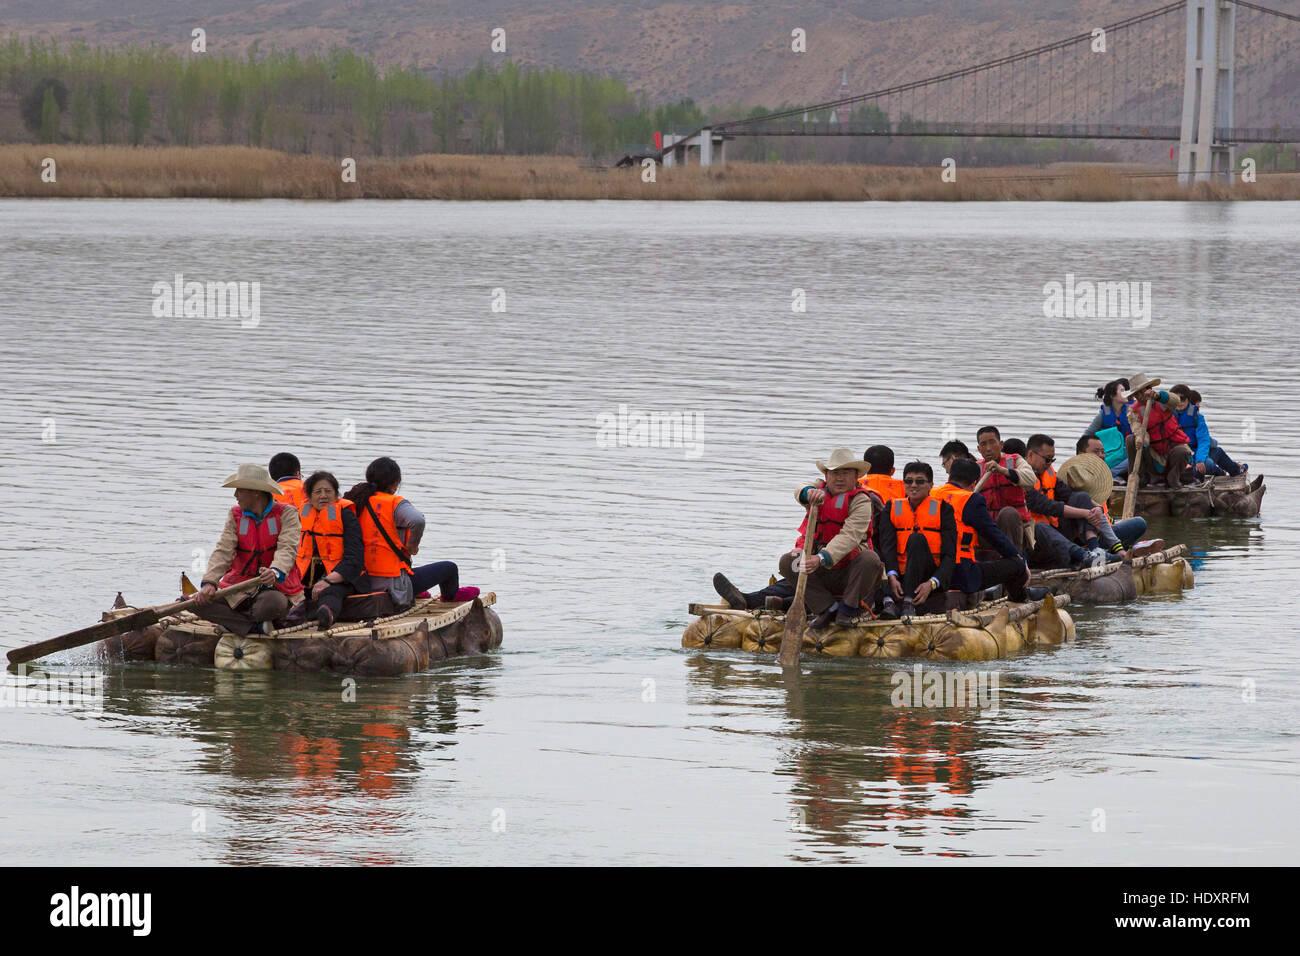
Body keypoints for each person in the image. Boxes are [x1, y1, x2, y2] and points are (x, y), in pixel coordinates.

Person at [779, 448, 885, 630]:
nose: (840, 478)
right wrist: (808, 493)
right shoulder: (819, 489)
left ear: (856, 477)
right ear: (827, 476)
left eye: (846, 473)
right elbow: (799, 490)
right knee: (788, 561)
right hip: (822, 572)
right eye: (835, 473)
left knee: (871, 559)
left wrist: (820, 558)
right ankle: (826, 608)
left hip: (849, 570)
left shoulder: (862, 500)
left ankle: (848, 609)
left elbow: (849, 535)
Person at [346, 456, 469, 609]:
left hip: (358, 582)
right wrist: (412, 546)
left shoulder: (355, 501)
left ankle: (415, 588)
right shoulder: (393, 503)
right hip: (392, 587)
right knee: (450, 568)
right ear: (395, 484)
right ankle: (450, 596)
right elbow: (417, 521)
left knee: (408, 569)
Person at [194, 463, 303, 634]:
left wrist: (275, 571)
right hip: (239, 588)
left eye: (240, 490)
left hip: (274, 588)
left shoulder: (287, 513)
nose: (235, 495)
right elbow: (223, 550)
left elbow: (287, 548)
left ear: (256, 492)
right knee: (193, 602)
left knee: (273, 604)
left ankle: (233, 622)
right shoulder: (235, 515)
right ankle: (254, 627)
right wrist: (210, 582)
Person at [938, 458, 1039, 607]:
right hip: (959, 573)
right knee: (1016, 565)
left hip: (934, 570)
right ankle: (1018, 601)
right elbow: (995, 536)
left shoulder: (931, 494)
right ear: (974, 483)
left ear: (949, 477)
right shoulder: (971, 499)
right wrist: (1021, 561)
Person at [1023, 433, 1126, 561]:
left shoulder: (1049, 474)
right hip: (1037, 540)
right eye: (1047, 459)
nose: (1049, 464)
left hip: (1060, 530)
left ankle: (1095, 550)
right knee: (1040, 528)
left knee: (1081, 497)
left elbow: (1069, 493)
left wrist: (1097, 507)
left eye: (1052, 460)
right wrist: (1085, 513)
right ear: (1031, 455)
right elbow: (1049, 506)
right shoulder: (1022, 479)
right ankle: (1085, 556)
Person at [877, 461, 955, 617]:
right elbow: (887, 546)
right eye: (908, 481)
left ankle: (908, 601)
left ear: (931, 485)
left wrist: (931, 583)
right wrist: (891, 576)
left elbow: (950, 555)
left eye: (920, 481)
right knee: (871, 553)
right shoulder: (891, 507)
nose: (913, 485)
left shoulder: (944, 509)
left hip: (927, 572)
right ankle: (889, 601)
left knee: (916, 539)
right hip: (898, 572)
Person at [294, 470, 366, 629]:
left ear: (336, 495)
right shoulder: (299, 515)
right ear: (309, 496)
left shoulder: (346, 516)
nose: (323, 496)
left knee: (330, 593)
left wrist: (327, 580)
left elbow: (354, 558)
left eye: (328, 491)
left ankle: (326, 615)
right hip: (305, 577)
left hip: (341, 577)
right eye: (317, 492)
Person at [974, 425, 1037, 554]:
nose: (989, 448)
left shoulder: (1015, 461)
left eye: (992, 442)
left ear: (1001, 444)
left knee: (1008, 513)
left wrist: (1002, 470)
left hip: (1015, 531)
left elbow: (1031, 480)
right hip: (988, 531)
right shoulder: (974, 468)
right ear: (979, 449)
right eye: (984, 444)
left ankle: (1014, 560)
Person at [1124, 374, 1193, 489]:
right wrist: (1142, 440)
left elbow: (1175, 400)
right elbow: (1137, 429)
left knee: (1182, 451)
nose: (1141, 396)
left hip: (1172, 447)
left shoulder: (1162, 400)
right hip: (1153, 452)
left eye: (1143, 391)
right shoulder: (1133, 411)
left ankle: (1173, 479)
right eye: (1137, 394)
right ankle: (1139, 478)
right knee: (1131, 439)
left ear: (1150, 389)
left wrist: (1158, 395)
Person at [1170, 385, 1246, 478]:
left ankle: (1235, 470)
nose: (1179, 402)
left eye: (1182, 398)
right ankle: (1218, 473)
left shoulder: (1197, 417)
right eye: (1176, 399)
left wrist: (1200, 460)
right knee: (1195, 469)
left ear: (1188, 399)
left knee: (1211, 459)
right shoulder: (1166, 416)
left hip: (1196, 453)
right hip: (1179, 456)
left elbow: (1203, 440)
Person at [1084, 379, 1132, 477]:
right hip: (1111, 453)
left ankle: (1110, 474)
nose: (1126, 393)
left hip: (1127, 453)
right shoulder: (1103, 414)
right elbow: (1087, 435)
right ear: (1112, 396)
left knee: (1136, 456)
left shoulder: (1132, 412)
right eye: (1122, 391)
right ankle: (1111, 475)